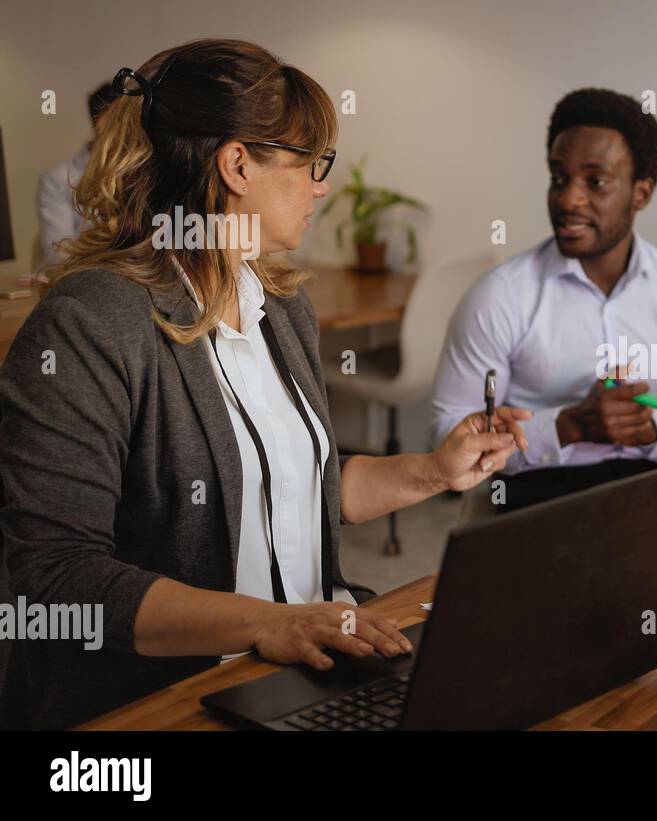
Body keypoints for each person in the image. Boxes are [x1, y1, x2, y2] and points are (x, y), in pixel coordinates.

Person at [0, 39, 528, 730]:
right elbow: (56, 581)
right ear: (238, 164)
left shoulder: (279, 304)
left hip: (310, 666)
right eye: (312, 164)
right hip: (178, 697)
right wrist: (267, 623)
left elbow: (301, 483)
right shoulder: (92, 323)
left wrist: (434, 470)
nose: (322, 185)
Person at [430, 88, 657, 511]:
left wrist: (652, 429)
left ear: (640, 194)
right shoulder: (500, 296)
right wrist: (568, 425)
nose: (568, 199)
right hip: (529, 502)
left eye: (595, 181)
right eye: (559, 177)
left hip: (646, 492)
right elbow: (446, 434)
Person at [36, 81, 118, 266]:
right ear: (101, 122)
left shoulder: (145, 171)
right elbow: (56, 250)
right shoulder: (57, 178)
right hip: (89, 277)